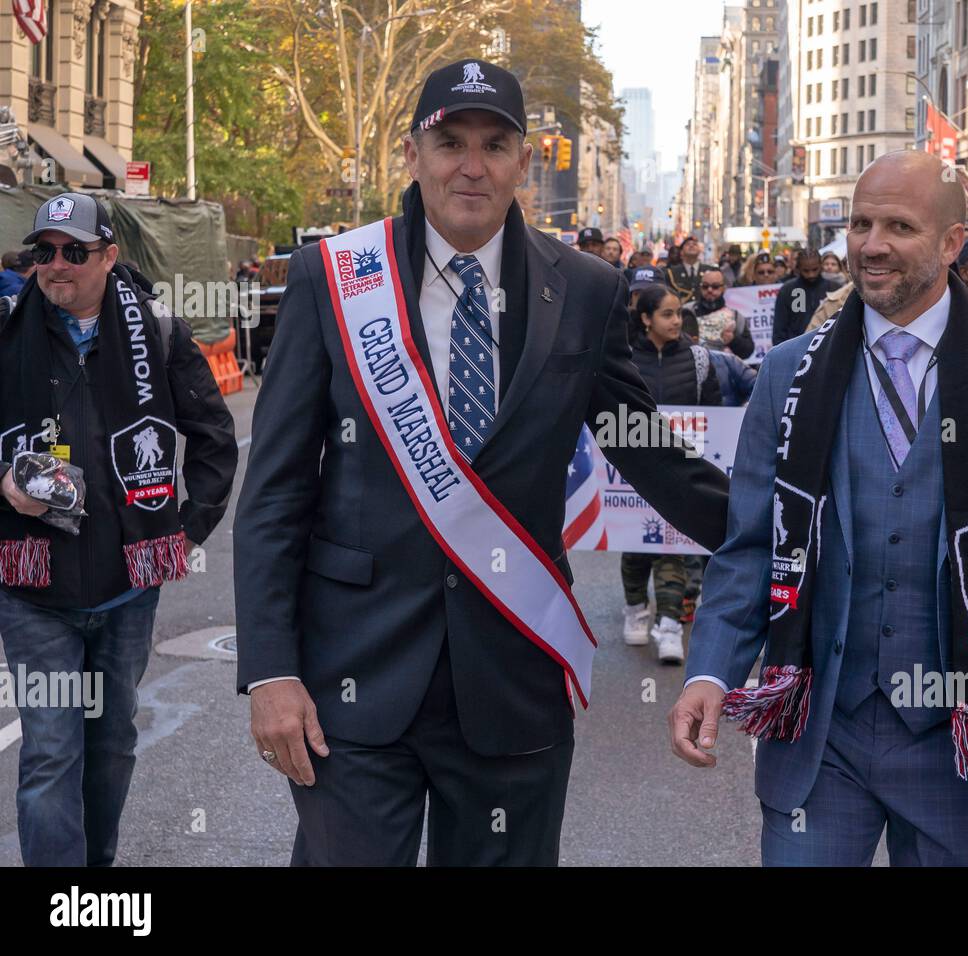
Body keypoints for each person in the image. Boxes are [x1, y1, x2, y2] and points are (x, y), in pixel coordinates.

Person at [233, 59, 730, 867]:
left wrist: (787, 534)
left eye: (495, 145)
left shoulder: (587, 288)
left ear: (524, 162)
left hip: (511, 677)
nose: (471, 165)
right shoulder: (334, 279)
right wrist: (268, 672)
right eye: (450, 142)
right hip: (351, 682)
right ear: (413, 154)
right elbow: (275, 494)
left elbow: (650, 456)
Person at [670, 150, 968, 866]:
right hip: (822, 737)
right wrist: (710, 669)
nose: (872, 244)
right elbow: (753, 545)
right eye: (860, 223)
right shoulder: (790, 373)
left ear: (952, 244)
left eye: (899, 226)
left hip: (965, 747)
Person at [0, 192, 238, 866]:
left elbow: (217, 442)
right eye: (43, 251)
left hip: (127, 591)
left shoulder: (159, 331)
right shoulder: (5, 328)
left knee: (110, 745)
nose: (56, 266)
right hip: (32, 586)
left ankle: (93, 875)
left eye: (75, 251)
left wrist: (181, 537)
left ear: (109, 256)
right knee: (49, 749)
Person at [622, 285, 723, 662]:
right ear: (646, 319)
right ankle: (635, 608)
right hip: (632, 469)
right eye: (666, 314)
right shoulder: (626, 357)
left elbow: (714, 412)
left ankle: (669, 625)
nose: (676, 321)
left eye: (679, 313)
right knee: (635, 545)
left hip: (677, 467)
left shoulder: (698, 359)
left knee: (674, 548)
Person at [682, 265, 754, 359]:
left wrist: (733, 340)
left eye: (715, 286)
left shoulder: (735, 316)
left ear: (723, 288)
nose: (710, 290)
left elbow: (748, 351)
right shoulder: (687, 312)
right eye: (705, 286)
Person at [772, 249, 836, 346]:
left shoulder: (834, 288)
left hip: (827, 349)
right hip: (796, 350)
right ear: (798, 268)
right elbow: (779, 329)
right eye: (806, 271)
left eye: (815, 269)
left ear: (821, 266)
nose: (811, 274)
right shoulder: (787, 290)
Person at [667, 235, 703, 302]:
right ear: (681, 252)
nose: (691, 246)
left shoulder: (709, 271)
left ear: (699, 251)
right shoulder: (671, 272)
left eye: (695, 244)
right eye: (687, 244)